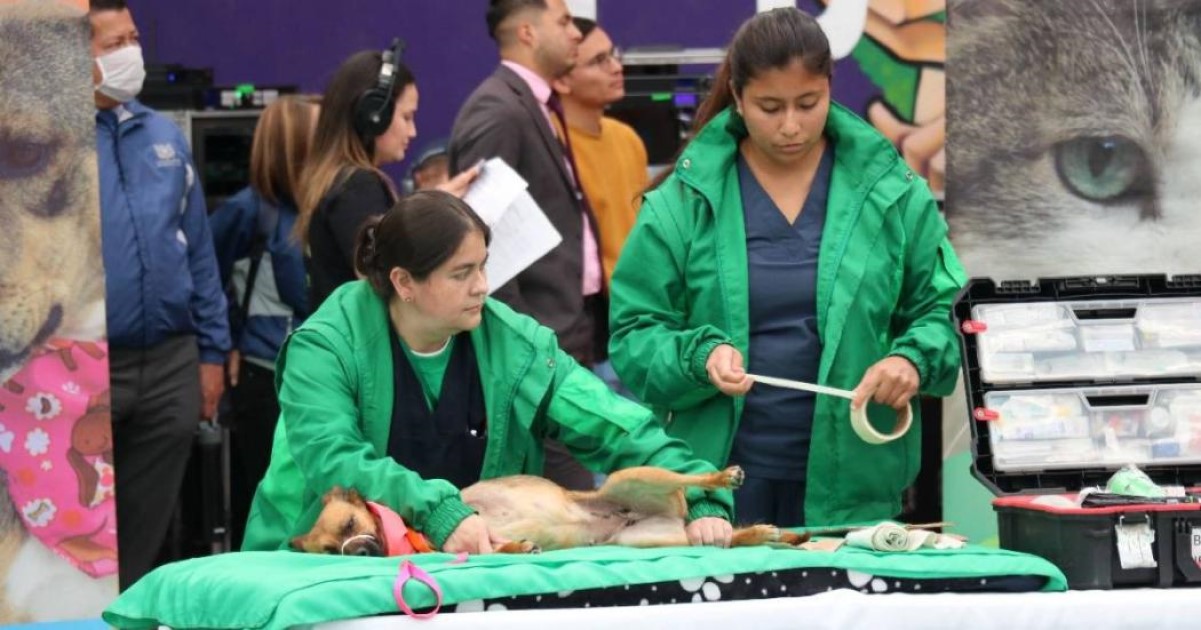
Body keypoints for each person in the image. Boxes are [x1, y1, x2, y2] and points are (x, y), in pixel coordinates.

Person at [608, 8, 966, 528]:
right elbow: (634, 333)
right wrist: (698, 356)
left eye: (808, 103)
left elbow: (942, 310)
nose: (791, 126)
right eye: (769, 107)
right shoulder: (682, 202)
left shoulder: (891, 192)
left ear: (830, 86)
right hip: (714, 489)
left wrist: (910, 360)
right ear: (736, 97)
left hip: (855, 484)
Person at [241, 191, 734, 554]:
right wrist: (436, 509)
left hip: (459, 570)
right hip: (312, 564)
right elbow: (333, 456)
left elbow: (610, 422)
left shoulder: (511, 344)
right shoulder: (325, 346)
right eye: (462, 273)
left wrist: (697, 489)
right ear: (403, 282)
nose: (482, 287)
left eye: (483, 266)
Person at [90, 0, 231, 588]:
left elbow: (199, 250)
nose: (131, 52)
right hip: (83, 368)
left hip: (171, 363)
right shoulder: (40, 140)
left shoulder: (164, 136)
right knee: (76, 528)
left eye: (134, 36)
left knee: (148, 524)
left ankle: (128, 613)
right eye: (113, 43)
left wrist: (211, 353)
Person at [448, 0, 600, 490]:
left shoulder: (527, 104)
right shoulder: (499, 109)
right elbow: (477, 239)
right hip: (535, 343)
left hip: (563, 333)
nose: (576, 33)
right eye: (563, 22)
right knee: (576, 509)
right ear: (529, 33)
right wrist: (520, 341)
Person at [208, 94, 319, 548]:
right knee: (268, 495)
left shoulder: (327, 207)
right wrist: (226, 340)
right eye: (320, 135)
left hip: (316, 376)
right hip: (263, 374)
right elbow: (203, 274)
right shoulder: (247, 211)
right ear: (294, 145)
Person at [296, 43, 478, 310]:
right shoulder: (358, 188)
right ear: (373, 116)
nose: (413, 131)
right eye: (407, 117)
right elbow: (392, 276)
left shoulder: (342, 183)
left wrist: (436, 204)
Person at [551, 17, 646, 286]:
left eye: (613, 55)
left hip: (640, 300)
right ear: (561, 81)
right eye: (598, 61)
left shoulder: (626, 138)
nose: (616, 67)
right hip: (590, 306)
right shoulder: (551, 145)